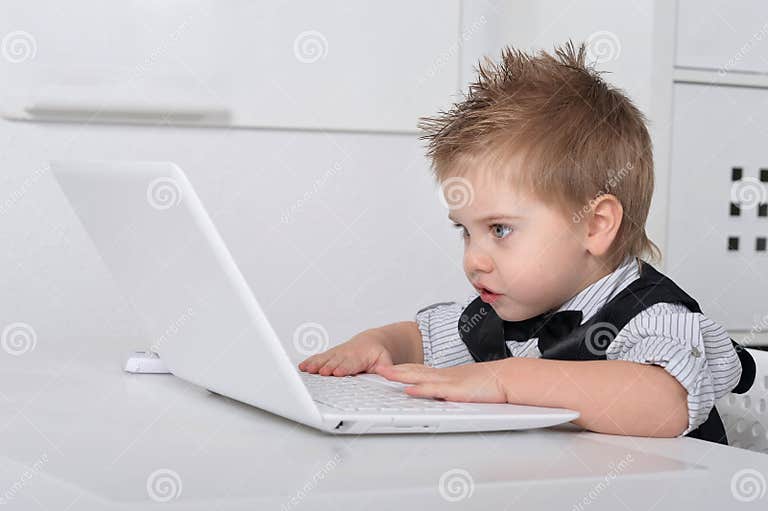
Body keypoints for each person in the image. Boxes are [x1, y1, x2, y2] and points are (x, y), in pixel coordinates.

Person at [298, 42, 754, 443]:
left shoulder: (656, 317)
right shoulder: (508, 310)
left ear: (594, 226)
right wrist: (376, 344)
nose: (474, 259)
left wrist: (504, 380)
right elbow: (421, 338)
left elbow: (665, 404)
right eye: (465, 230)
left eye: (499, 230)